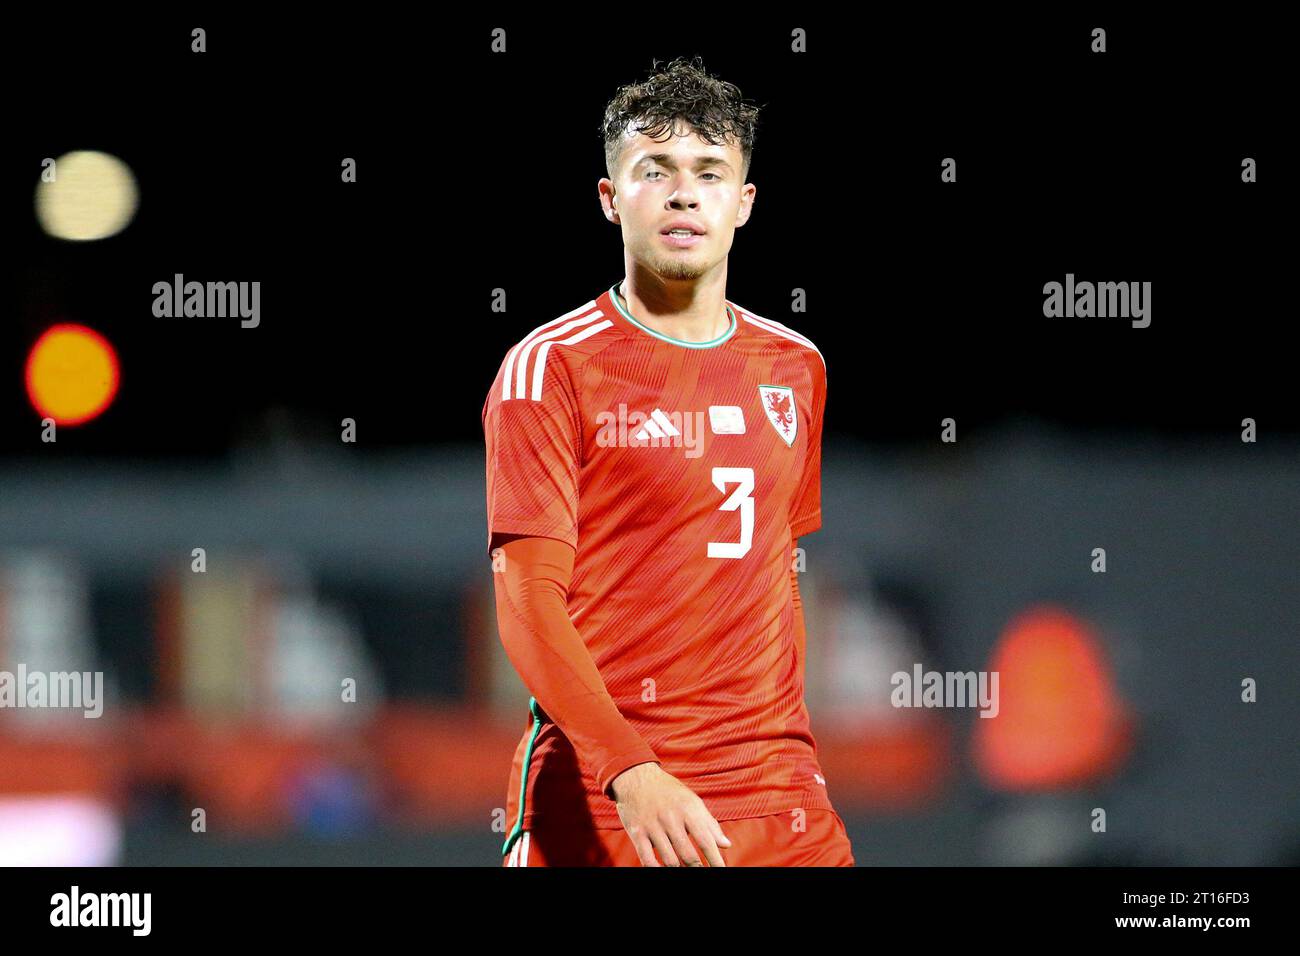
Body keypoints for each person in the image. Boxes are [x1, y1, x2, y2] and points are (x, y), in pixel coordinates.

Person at [483, 56, 852, 867]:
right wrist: (631, 768)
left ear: (743, 203)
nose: (685, 193)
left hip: (777, 798)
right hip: (609, 795)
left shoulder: (797, 367)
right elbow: (527, 603)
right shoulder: (550, 368)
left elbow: (774, 577)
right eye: (656, 171)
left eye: (710, 172)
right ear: (612, 199)